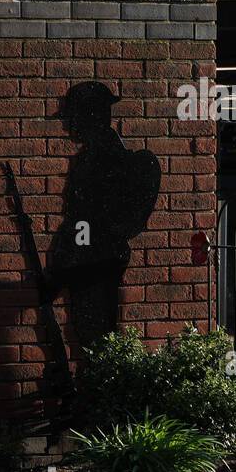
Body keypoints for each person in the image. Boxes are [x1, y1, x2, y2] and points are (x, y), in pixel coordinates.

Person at [44, 81, 160, 351]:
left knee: (95, 340)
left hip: (93, 263)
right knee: (92, 340)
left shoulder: (100, 160)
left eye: (72, 117)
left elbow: (83, 221)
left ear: (90, 116)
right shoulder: (93, 157)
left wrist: (65, 263)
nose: (67, 126)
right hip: (92, 261)